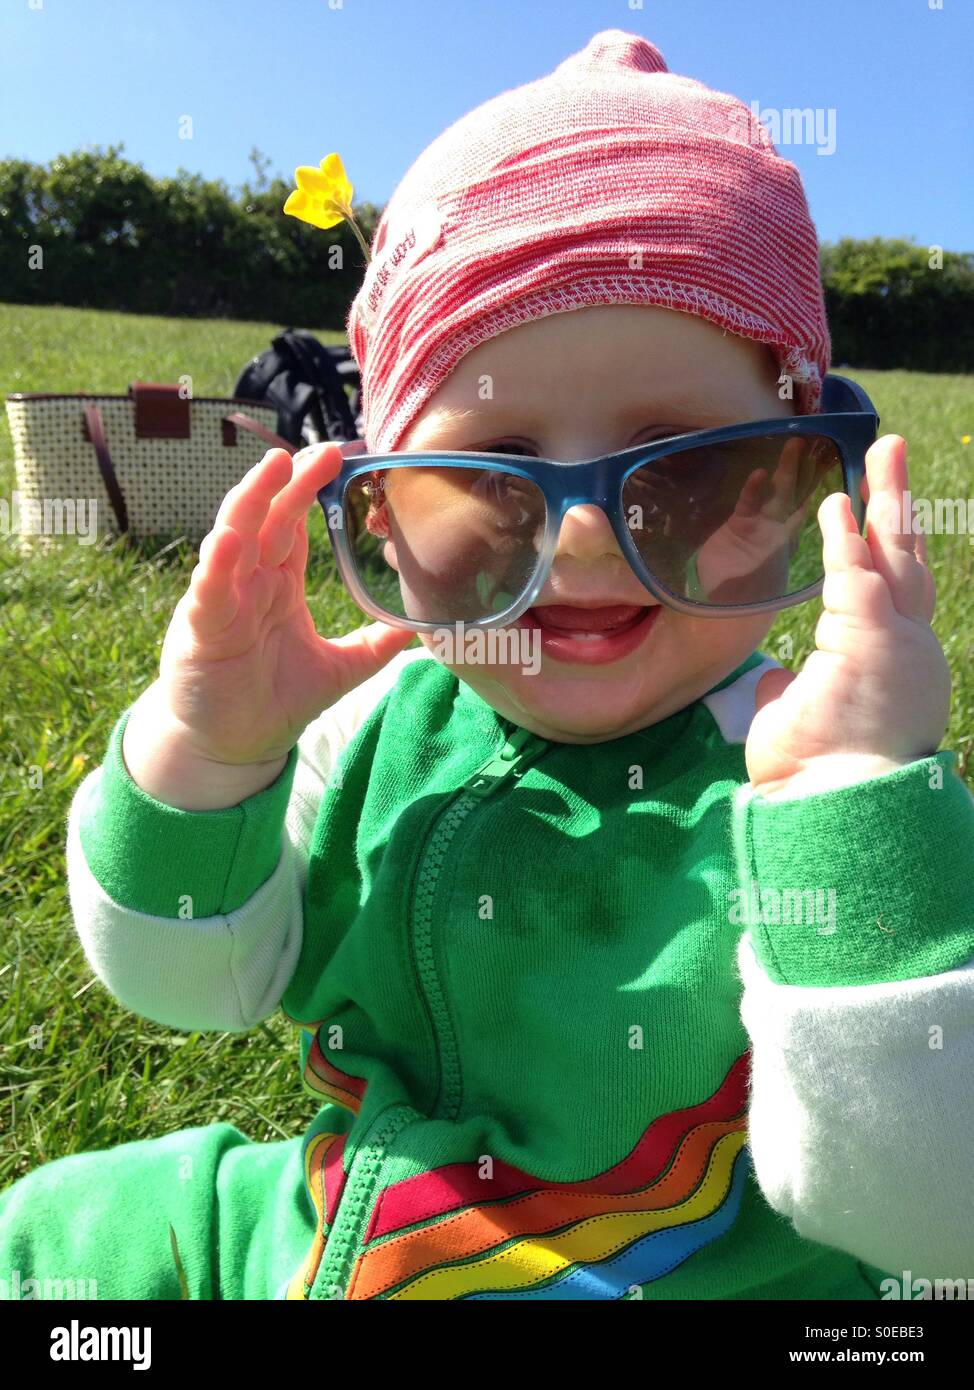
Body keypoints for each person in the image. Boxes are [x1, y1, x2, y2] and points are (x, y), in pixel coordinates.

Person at [1, 29, 971, 1302]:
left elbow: (932, 1214)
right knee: (70, 1229)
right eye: (490, 472)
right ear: (387, 519)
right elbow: (186, 982)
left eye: (676, 468)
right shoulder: (370, 737)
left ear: (790, 493)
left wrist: (851, 809)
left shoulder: (809, 785)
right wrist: (207, 755)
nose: (577, 543)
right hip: (351, 1224)